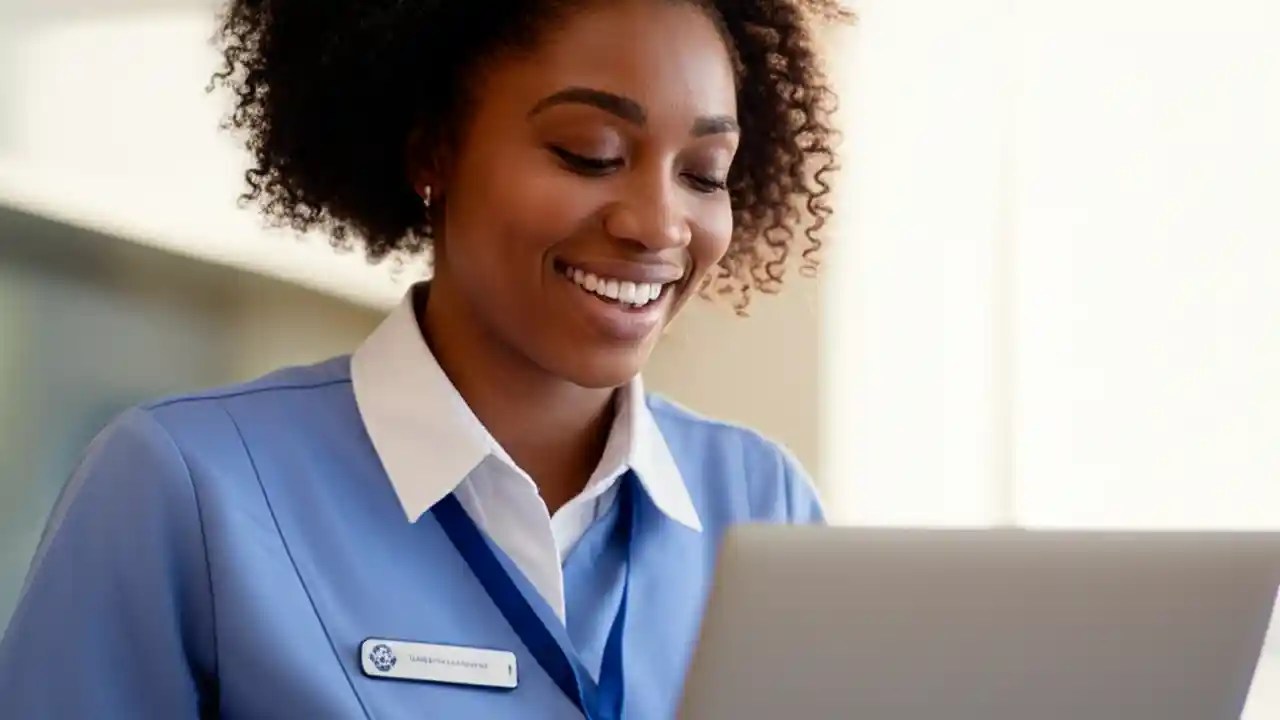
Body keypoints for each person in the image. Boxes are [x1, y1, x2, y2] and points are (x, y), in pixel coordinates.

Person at [0, 0, 847, 716]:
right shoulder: (187, 488)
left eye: (704, 173)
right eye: (590, 154)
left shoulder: (760, 501)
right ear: (432, 151)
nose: (659, 225)